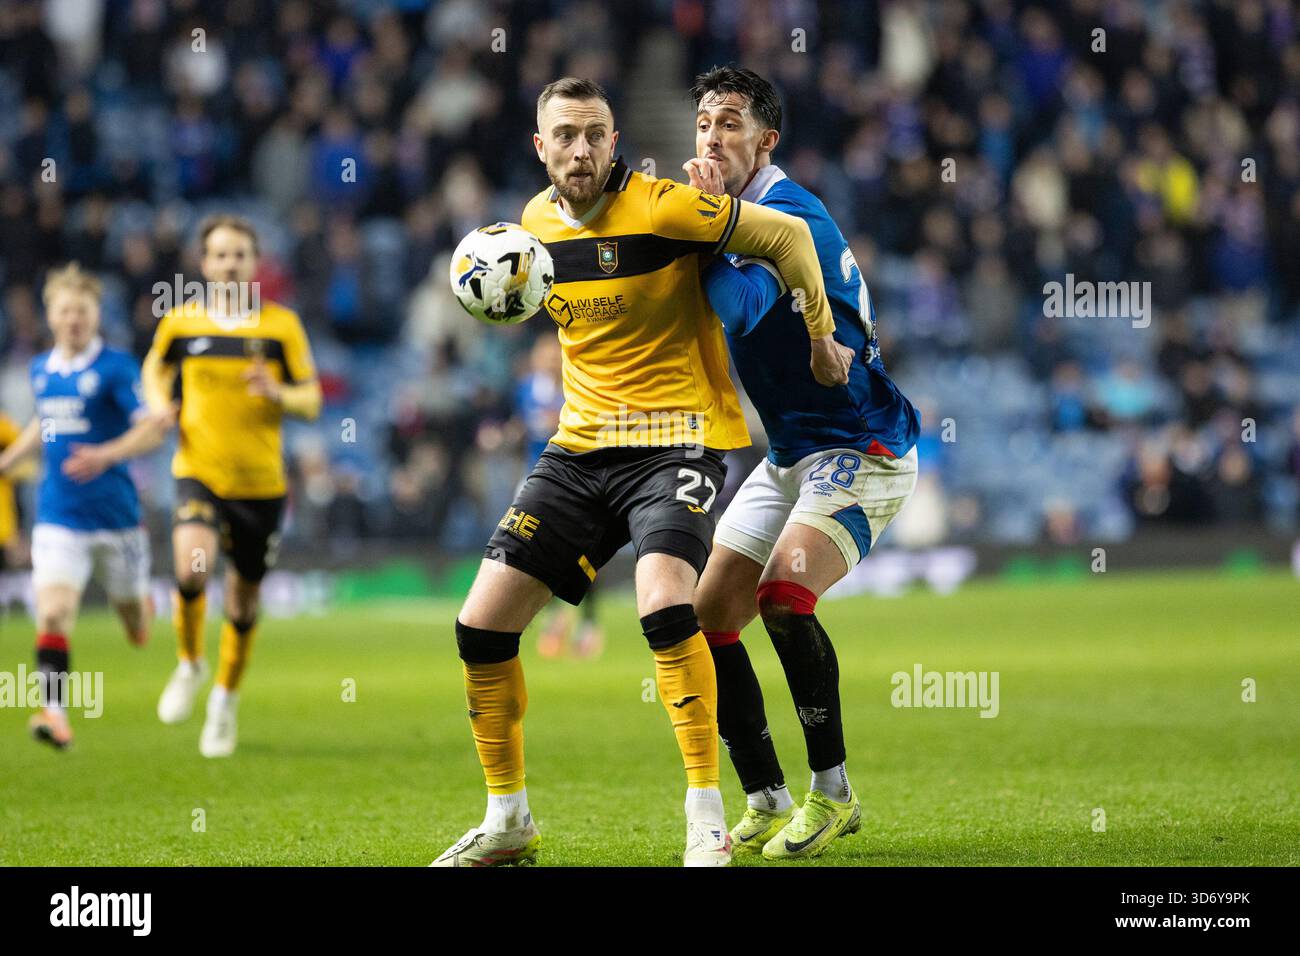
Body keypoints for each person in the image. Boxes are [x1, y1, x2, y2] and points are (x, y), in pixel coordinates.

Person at [433, 76, 853, 867]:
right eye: (565, 136)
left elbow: (790, 242)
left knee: (665, 602)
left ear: (614, 140)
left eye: (595, 134)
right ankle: (508, 820)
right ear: (541, 146)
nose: (581, 150)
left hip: (680, 440)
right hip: (580, 447)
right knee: (480, 625)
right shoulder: (524, 230)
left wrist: (822, 336)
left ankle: (705, 818)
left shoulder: (666, 207)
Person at [685, 66, 920, 859]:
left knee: (783, 596)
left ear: (766, 139)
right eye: (704, 124)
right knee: (707, 615)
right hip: (790, 454)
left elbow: (744, 308)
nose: (713, 137)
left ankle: (834, 792)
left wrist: (701, 224)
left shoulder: (791, 215)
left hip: (864, 445)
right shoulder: (739, 214)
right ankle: (764, 794)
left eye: (730, 123)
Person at [143, 215, 322, 758]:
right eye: (220, 255)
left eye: (240, 254)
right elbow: (154, 368)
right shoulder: (180, 323)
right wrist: (158, 407)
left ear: (254, 262)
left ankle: (223, 699)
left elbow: (312, 401)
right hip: (198, 469)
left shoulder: (280, 326)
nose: (230, 263)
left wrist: (278, 392)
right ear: (204, 264)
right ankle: (190, 661)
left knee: (243, 605)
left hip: (261, 485)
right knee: (190, 565)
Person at [0, 263, 171, 749]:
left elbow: (150, 430)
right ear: (49, 315)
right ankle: (55, 715)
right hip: (59, 517)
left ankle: (140, 609)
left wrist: (106, 454)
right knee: (53, 613)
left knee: (136, 626)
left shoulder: (116, 368)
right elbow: (44, 422)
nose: (73, 319)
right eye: (64, 310)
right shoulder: (40, 370)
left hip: (116, 519)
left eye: (83, 310)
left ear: (96, 314)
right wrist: (8, 462)